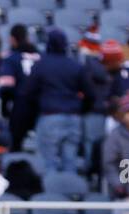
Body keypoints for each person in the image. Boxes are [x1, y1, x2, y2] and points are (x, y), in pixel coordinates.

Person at [19, 28, 94, 174]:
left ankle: (51, 189)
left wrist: (37, 107)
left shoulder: (41, 65)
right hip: (73, 118)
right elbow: (91, 95)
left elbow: (27, 93)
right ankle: (70, 188)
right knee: (70, 163)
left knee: (48, 164)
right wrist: (80, 110)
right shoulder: (75, 65)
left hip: (50, 116)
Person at [0, 25, 39, 148]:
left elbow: (6, 86)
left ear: (12, 39)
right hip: (41, 106)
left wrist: (4, 108)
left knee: (15, 145)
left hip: (21, 106)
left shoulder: (11, 58)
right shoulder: (41, 56)